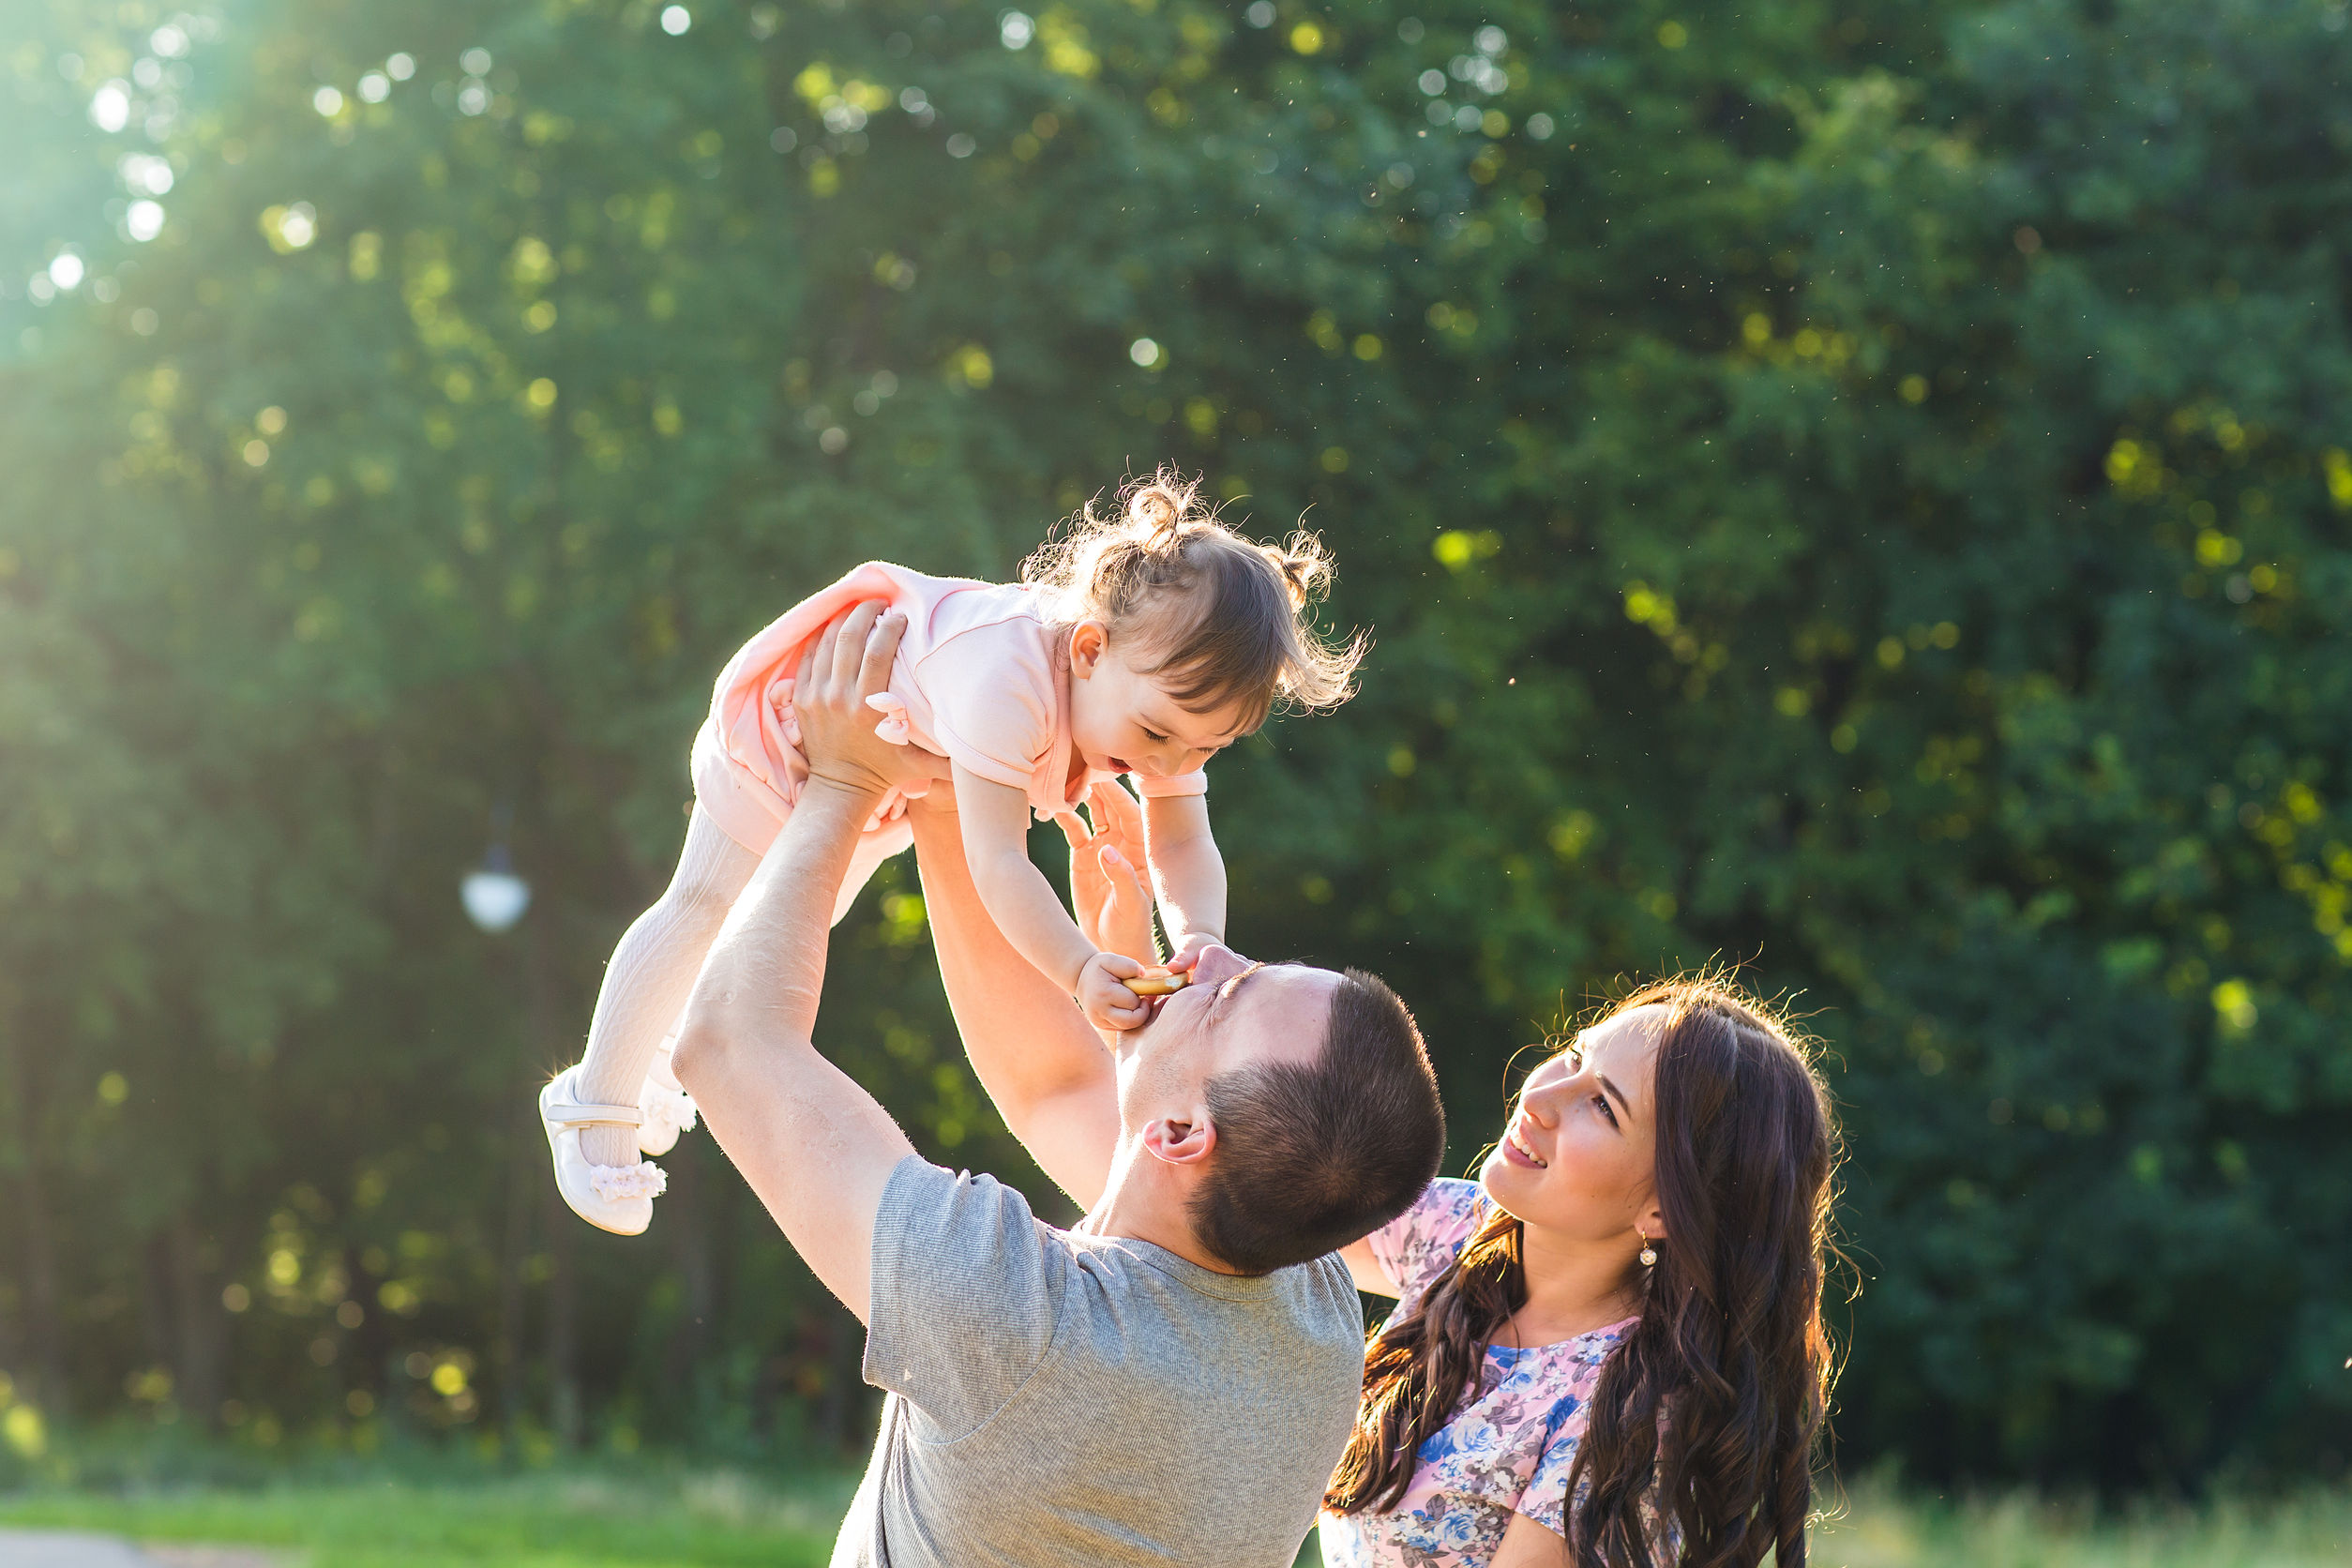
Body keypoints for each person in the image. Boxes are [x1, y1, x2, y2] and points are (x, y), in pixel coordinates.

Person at [667, 602, 1447, 1568]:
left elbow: (726, 1044)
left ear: (1180, 1139)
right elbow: (1051, 1090)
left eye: (1224, 996)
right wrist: (956, 778)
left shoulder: (1019, 1321)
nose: (1202, 959)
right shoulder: (1310, 1314)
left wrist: (843, 780)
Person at [542, 469, 1364, 1234]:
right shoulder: (1008, 683)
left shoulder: (1156, 708)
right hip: (794, 726)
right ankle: (594, 1103)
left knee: (789, 924)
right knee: (705, 905)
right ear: (1087, 650)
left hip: (881, 765)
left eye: (1204, 750)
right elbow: (998, 863)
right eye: (1155, 735)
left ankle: (650, 1051)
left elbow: (1182, 839)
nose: (1169, 767)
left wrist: (1200, 941)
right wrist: (1079, 969)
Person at [1316, 981, 1841, 1568]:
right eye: (1573, 1055)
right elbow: (1255, 1214)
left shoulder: (1625, 1419)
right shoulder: (1458, 1234)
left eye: (1602, 1106)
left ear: (1665, 1207)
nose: (1540, 1097)